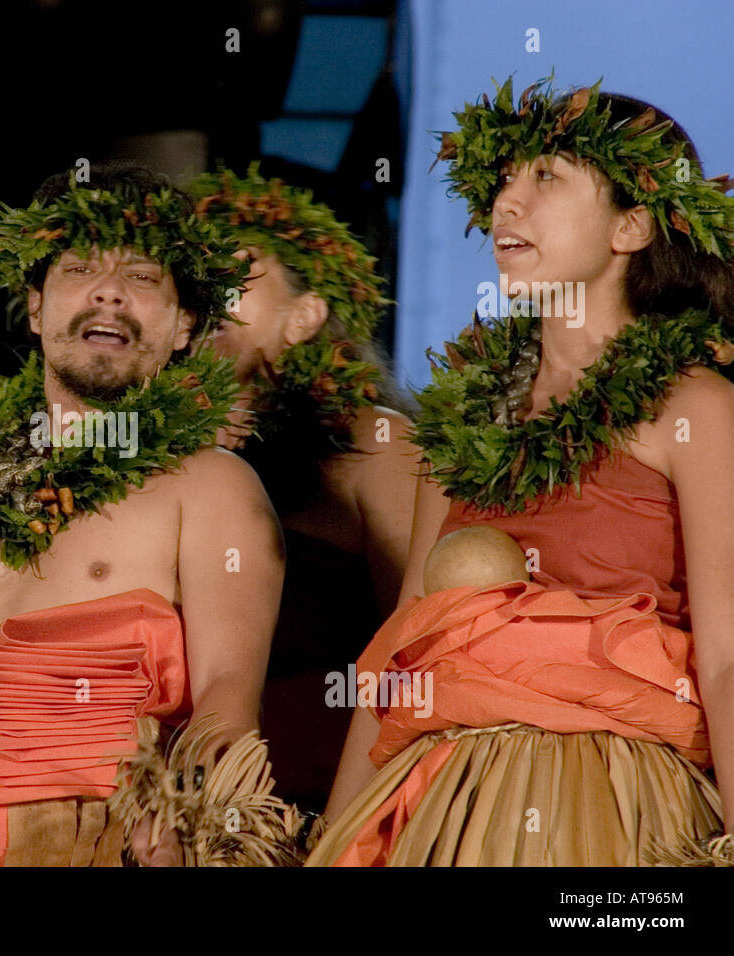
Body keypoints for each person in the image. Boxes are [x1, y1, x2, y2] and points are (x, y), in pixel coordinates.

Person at [308, 79, 734, 865]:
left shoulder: (695, 406)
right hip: (441, 802)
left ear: (632, 226)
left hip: (609, 798)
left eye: (546, 177)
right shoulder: (466, 417)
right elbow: (406, 646)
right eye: (504, 181)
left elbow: (729, 650)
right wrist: (333, 843)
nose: (506, 202)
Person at [0, 162, 291, 866]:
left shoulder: (211, 487)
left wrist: (191, 824)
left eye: (140, 276)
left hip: (97, 843)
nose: (108, 290)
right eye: (79, 267)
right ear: (37, 307)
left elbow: (228, 698)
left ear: (183, 327)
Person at [188, 166, 419, 810]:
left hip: (332, 802)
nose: (208, 293)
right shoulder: (157, 457)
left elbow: (423, 645)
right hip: (175, 811)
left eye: (234, 274)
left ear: (306, 315)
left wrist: (349, 829)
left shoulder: (375, 445)